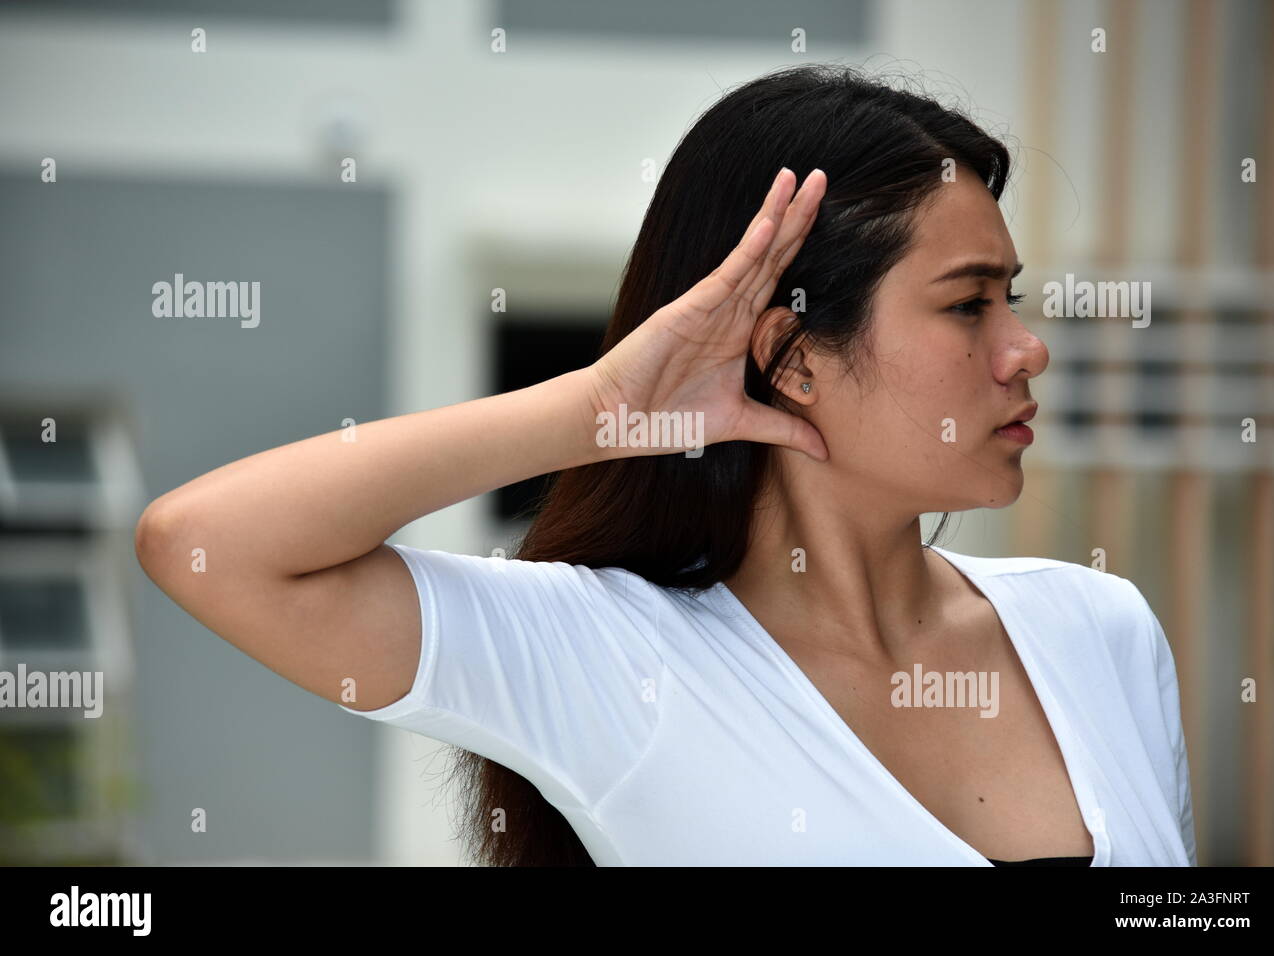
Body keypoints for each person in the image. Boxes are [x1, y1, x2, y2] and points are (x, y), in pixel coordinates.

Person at [134, 64, 1196, 867]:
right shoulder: (613, 657)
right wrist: (597, 408)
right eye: (969, 303)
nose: (1025, 347)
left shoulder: (1099, 632)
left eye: (1012, 296)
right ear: (792, 356)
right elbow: (204, 543)